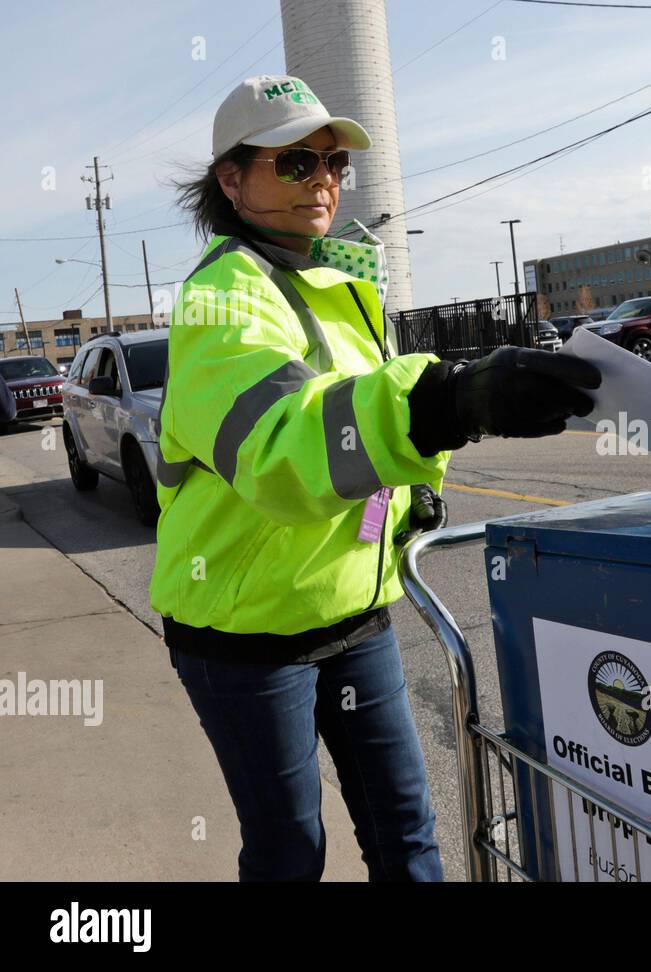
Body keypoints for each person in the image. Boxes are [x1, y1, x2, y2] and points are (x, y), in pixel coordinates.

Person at [152, 74, 601, 881]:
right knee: (291, 852)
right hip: (244, 639)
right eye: (296, 163)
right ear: (231, 178)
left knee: (408, 835)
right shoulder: (220, 301)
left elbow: (366, 432)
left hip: (356, 613)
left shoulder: (336, 287)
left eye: (333, 162)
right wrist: (448, 402)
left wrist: (433, 438)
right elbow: (279, 453)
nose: (323, 179)